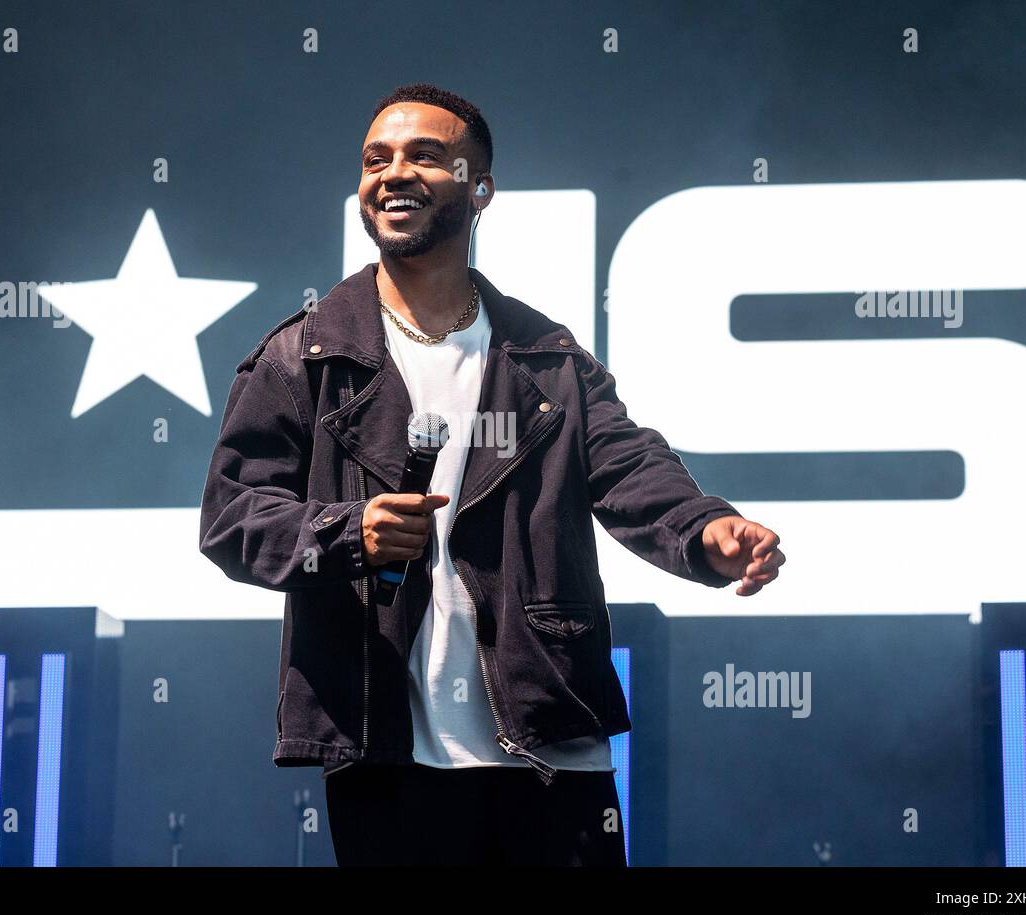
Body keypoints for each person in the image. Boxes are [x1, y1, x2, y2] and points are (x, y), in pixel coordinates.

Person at [199, 83, 786, 866]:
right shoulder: (303, 358)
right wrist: (349, 532)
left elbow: (627, 465)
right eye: (376, 160)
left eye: (425, 156)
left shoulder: (546, 358)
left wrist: (705, 529)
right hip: (387, 759)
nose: (392, 174)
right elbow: (232, 520)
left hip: (550, 750)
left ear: (481, 189)